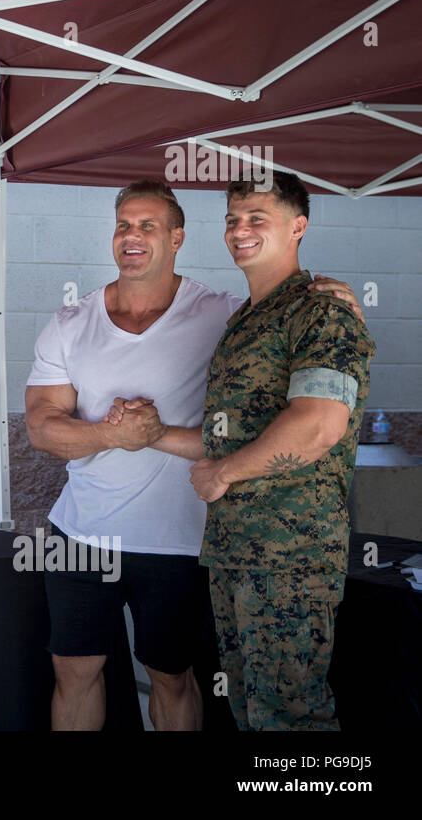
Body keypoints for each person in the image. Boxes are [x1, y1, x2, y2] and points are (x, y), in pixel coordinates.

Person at [25, 179, 361, 731]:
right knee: (75, 669)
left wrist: (338, 304)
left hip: (188, 539)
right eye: (124, 225)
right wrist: (119, 435)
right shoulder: (71, 322)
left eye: (148, 226)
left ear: (177, 237)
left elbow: (312, 416)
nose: (132, 236)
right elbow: (41, 428)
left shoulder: (228, 316)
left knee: (179, 677)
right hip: (84, 533)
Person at [186, 172, 374, 730]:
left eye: (256, 219)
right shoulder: (245, 319)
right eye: (232, 220)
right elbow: (232, 433)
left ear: (298, 227)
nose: (239, 230)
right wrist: (145, 433)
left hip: (291, 555)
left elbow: (319, 425)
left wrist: (223, 473)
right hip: (236, 551)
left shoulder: (322, 311)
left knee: (292, 717)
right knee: (251, 710)